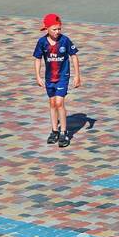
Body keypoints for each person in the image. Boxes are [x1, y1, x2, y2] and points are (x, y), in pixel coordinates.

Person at [33, 13, 80, 147]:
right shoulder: (42, 42)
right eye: (54, 29)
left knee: (59, 103)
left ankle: (64, 132)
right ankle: (54, 131)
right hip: (49, 78)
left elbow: (74, 56)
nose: (57, 32)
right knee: (52, 103)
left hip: (62, 77)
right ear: (46, 28)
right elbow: (37, 59)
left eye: (59, 28)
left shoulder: (65, 41)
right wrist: (38, 76)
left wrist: (77, 76)